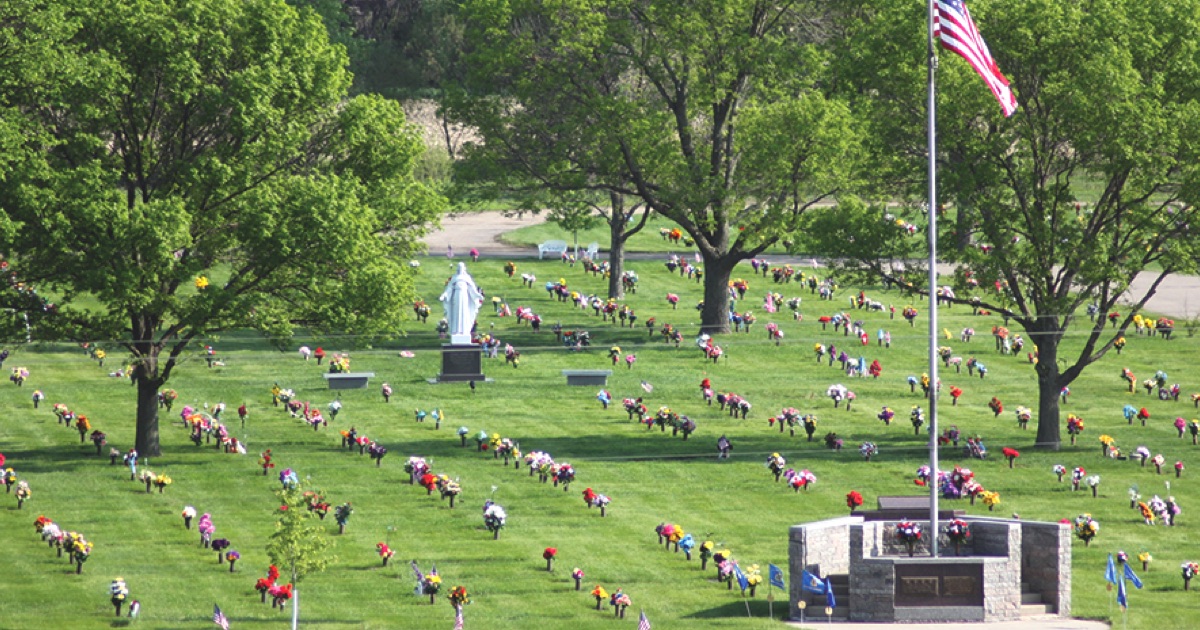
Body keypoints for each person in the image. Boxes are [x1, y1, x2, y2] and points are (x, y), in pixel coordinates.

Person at [439, 263, 484, 345]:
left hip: (464, 297)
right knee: (457, 313)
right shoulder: (455, 278)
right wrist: (444, 295)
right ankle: (456, 331)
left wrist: (478, 295)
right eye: (459, 267)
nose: (460, 269)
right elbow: (449, 288)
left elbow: (472, 289)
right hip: (457, 296)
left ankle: (464, 331)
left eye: (462, 267)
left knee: (464, 313)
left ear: (464, 269)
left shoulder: (467, 278)